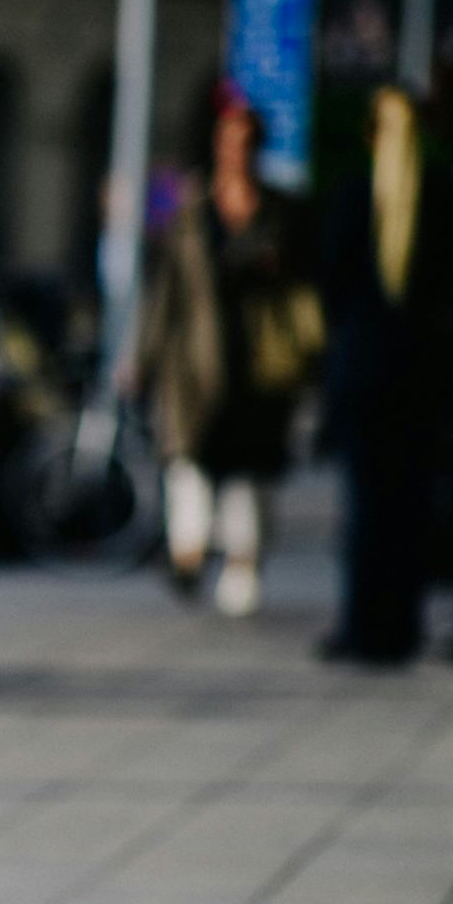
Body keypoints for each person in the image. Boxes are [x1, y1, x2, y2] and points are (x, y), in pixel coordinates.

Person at [133, 82, 319, 619]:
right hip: (192, 359)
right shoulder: (191, 212)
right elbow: (164, 292)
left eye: (245, 142)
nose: (235, 153)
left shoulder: (284, 212)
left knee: (248, 470)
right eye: (227, 141)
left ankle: (242, 562)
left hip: (259, 360)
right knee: (188, 458)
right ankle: (188, 553)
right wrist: (142, 358)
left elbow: (307, 287)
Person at [320, 85, 453, 665]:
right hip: (422, 372)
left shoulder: (353, 195)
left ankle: (365, 625)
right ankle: (402, 623)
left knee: (366, 502)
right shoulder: (444, 198)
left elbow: (331, 287)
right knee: (409, 501)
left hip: (363, 371)